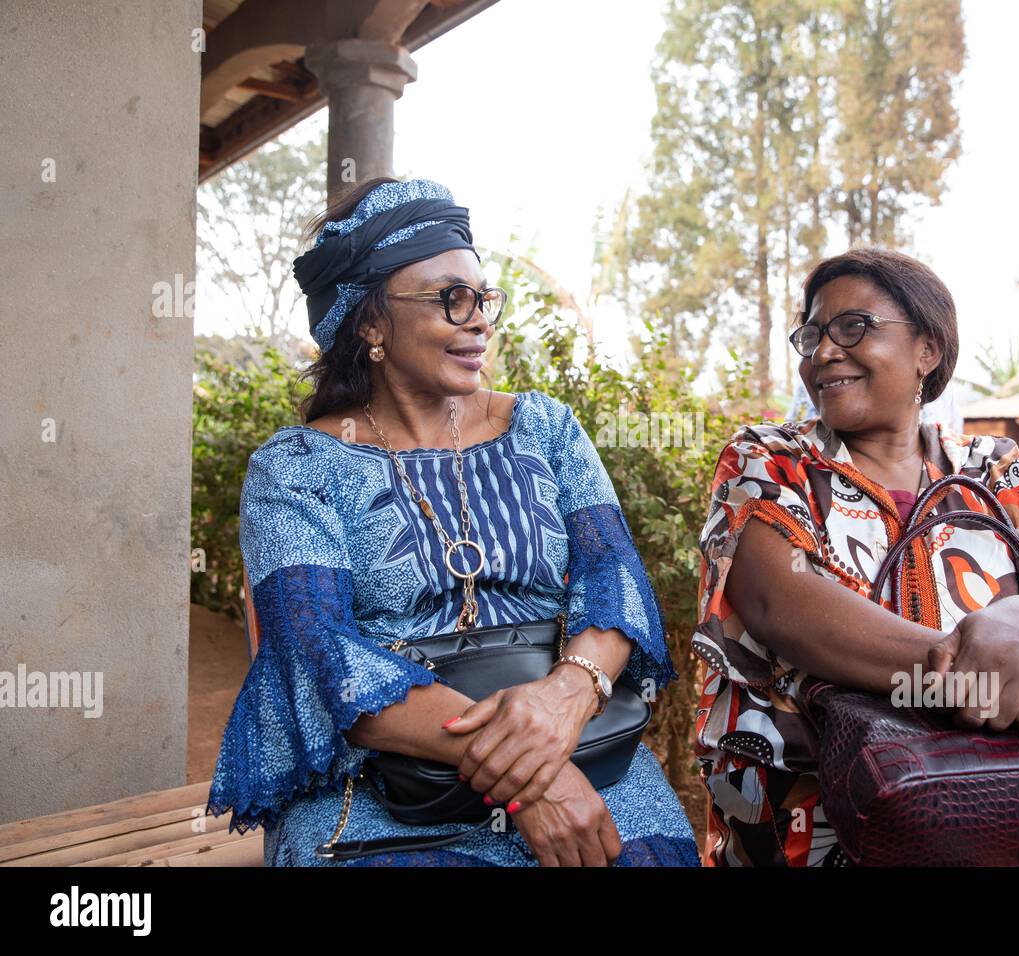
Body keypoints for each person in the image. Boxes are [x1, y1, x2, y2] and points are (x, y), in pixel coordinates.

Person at [206, 177, 699, 867]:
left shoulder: (548, 430)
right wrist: (533, 779)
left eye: (481, 297)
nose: (479, 321)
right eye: (450, 299)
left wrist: (564, 697)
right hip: (380, 780)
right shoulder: (295, 468)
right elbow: (321, 658)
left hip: (581, 745)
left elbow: (613, 581)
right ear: (370, 323)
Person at [692, 247, 1019, 866]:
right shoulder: (769, 461)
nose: (822, 353)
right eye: (812, 335)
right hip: (816, 834)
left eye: (853, 327)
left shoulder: (996, 469)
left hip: (999, 824)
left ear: (927, 349)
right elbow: (784, 607)